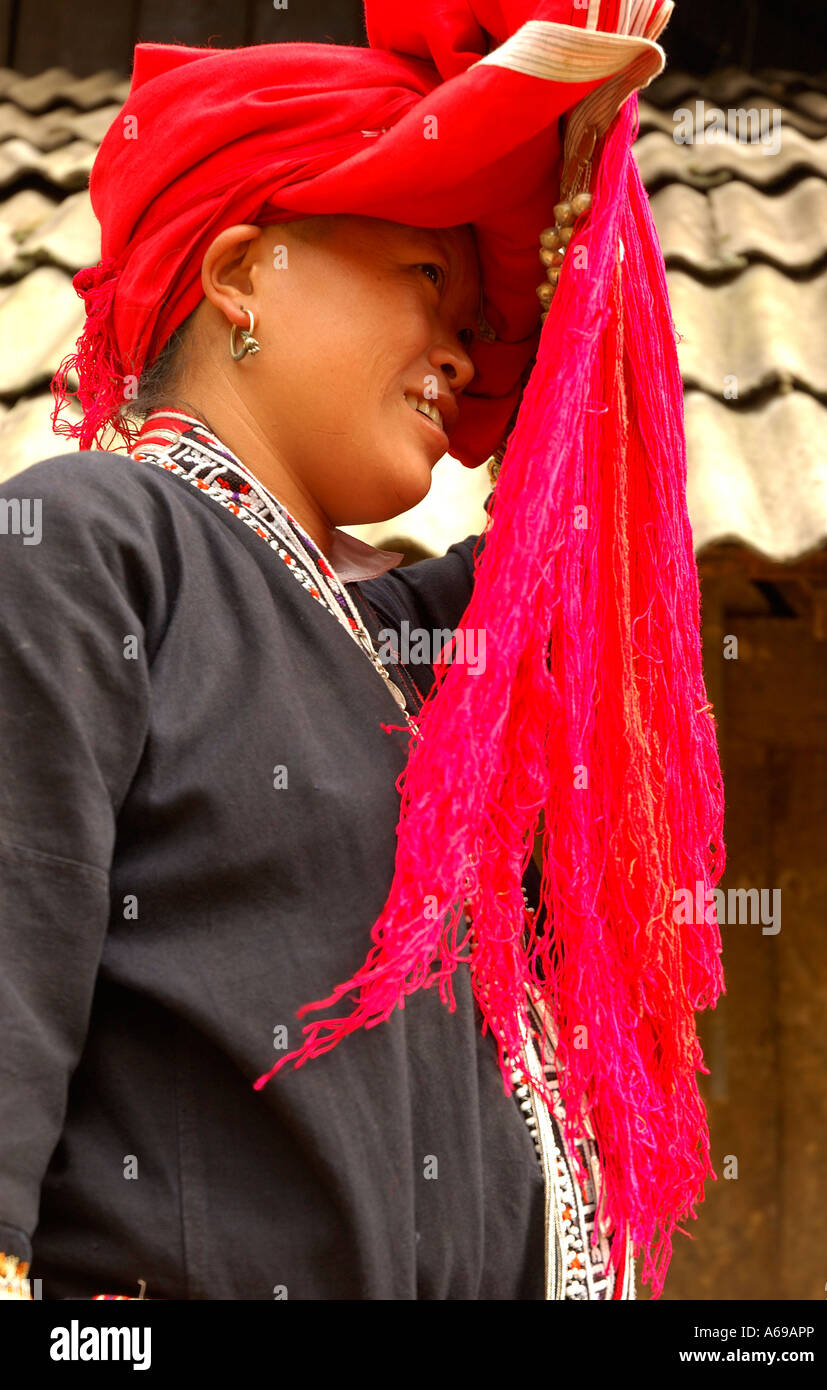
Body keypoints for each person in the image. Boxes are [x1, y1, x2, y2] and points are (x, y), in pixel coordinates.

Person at [1, 1, 723, 1302]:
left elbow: (592, 559)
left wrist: (586, 205)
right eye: (425, 277)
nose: (460, 347)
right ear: (241, 275)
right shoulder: (92, 545)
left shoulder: (395, 646)